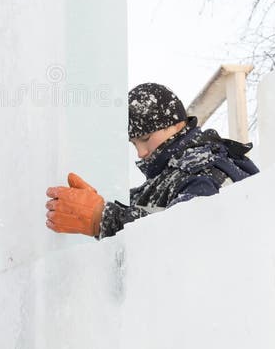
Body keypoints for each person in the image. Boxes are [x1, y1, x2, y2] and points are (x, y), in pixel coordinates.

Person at [46, 82, 259, 239]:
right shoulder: (167, 178)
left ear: (177, 124)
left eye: (146, 139)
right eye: (134, 144)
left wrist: (104, 218)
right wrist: (100, 206)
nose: (141, 153)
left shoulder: (208, 170)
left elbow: (187, 236)